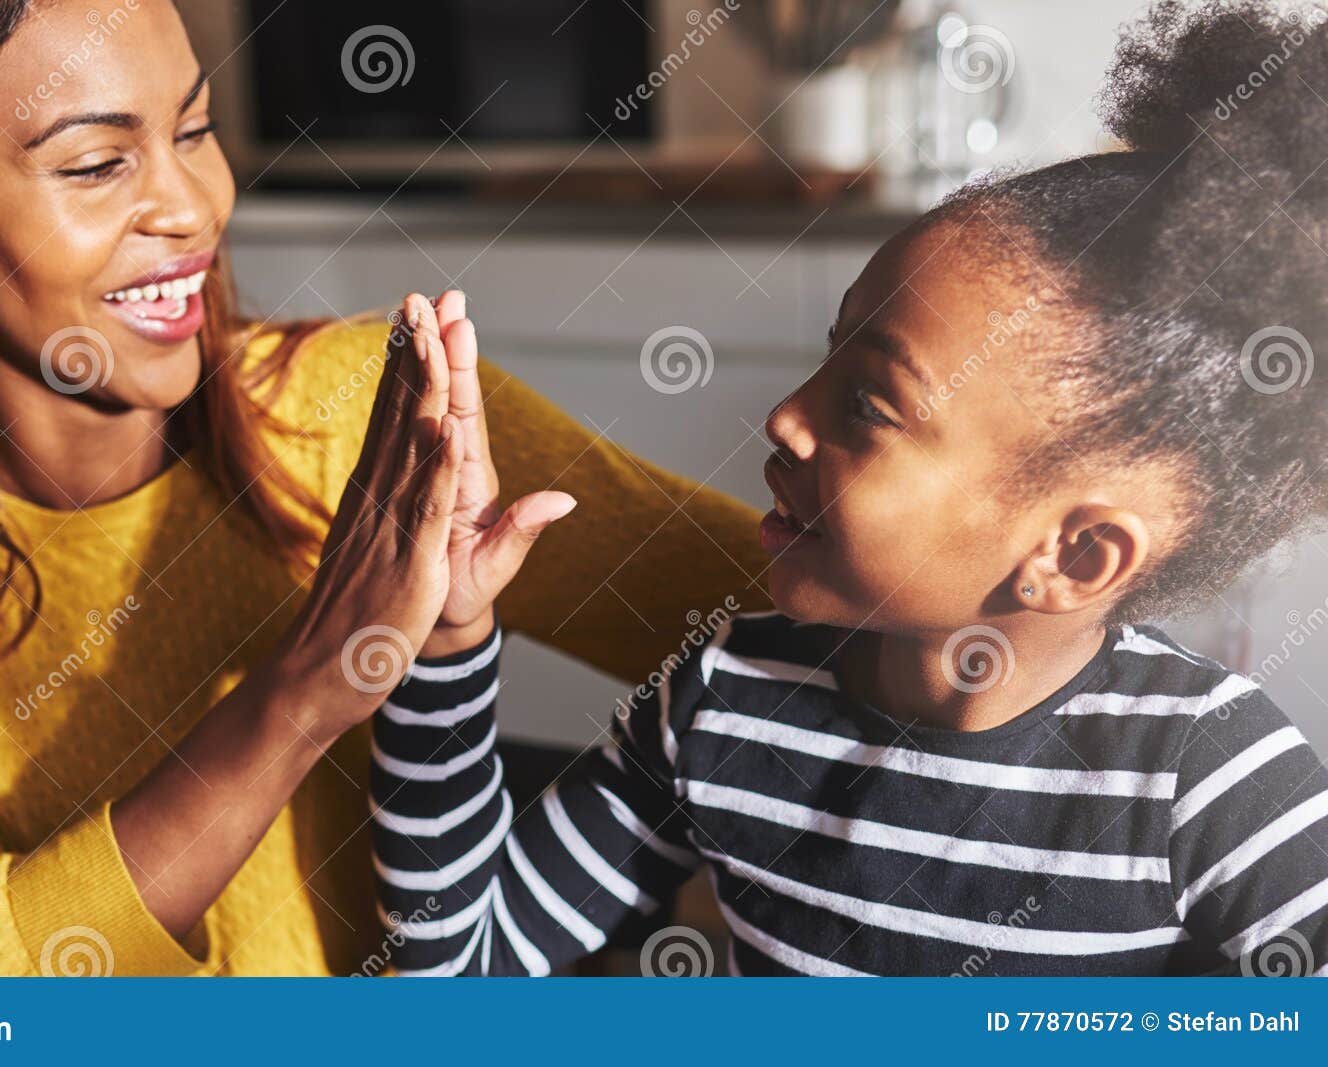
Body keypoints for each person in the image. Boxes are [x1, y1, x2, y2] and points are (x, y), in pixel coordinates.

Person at [0, 0, 764, 975]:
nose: (191, 206)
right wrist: (306, 691)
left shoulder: (368, 408)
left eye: (194, 130)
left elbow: (825, 624)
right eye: (96, 164)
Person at [371, 1, 1328, 976]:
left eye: (868, 403)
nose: (786, 415)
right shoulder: (717, 699)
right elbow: (460, 975)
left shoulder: (1209, 773)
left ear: (1072, 555)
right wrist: (444, 642)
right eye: (826, 358)